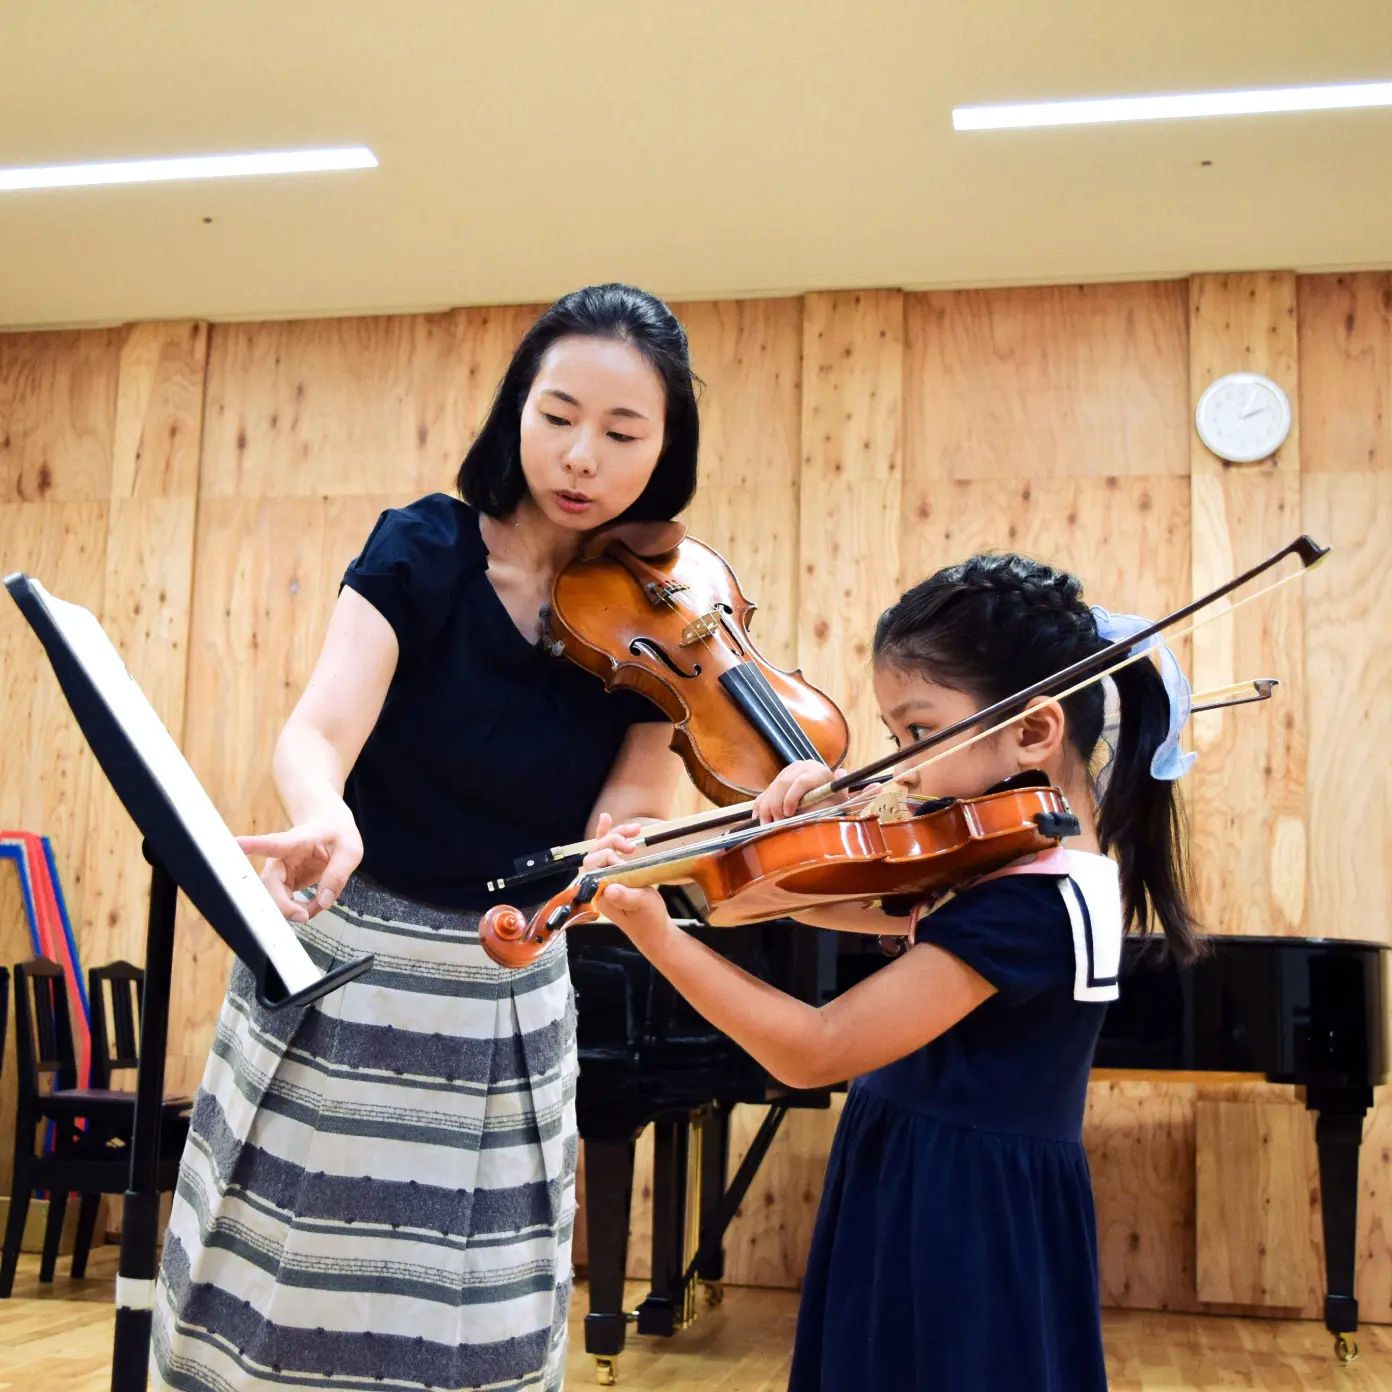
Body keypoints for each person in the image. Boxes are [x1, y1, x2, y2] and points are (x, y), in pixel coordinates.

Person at [151, 284, 700, 1392]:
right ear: (516, 410)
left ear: (665, 450)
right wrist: (323, 811)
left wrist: (616, 844)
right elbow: (321, 725)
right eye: (557, 415)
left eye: (622, 432)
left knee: (477, 1303)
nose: (581, 455)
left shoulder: (664, 607)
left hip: (505, 971)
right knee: (290, 1278)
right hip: (351, 966)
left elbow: (639, 789)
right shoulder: (426, 547)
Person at [585, 553, 1200, 1391]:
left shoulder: (1026, 906)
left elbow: (815, 1049)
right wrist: (795, 829)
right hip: (951, 1188)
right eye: (893, 738)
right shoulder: (1036, 869)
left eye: (918, 732)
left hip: (955, 1211)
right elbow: (803, 902)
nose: (903, 766)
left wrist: (654, 934)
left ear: (1033, 730)